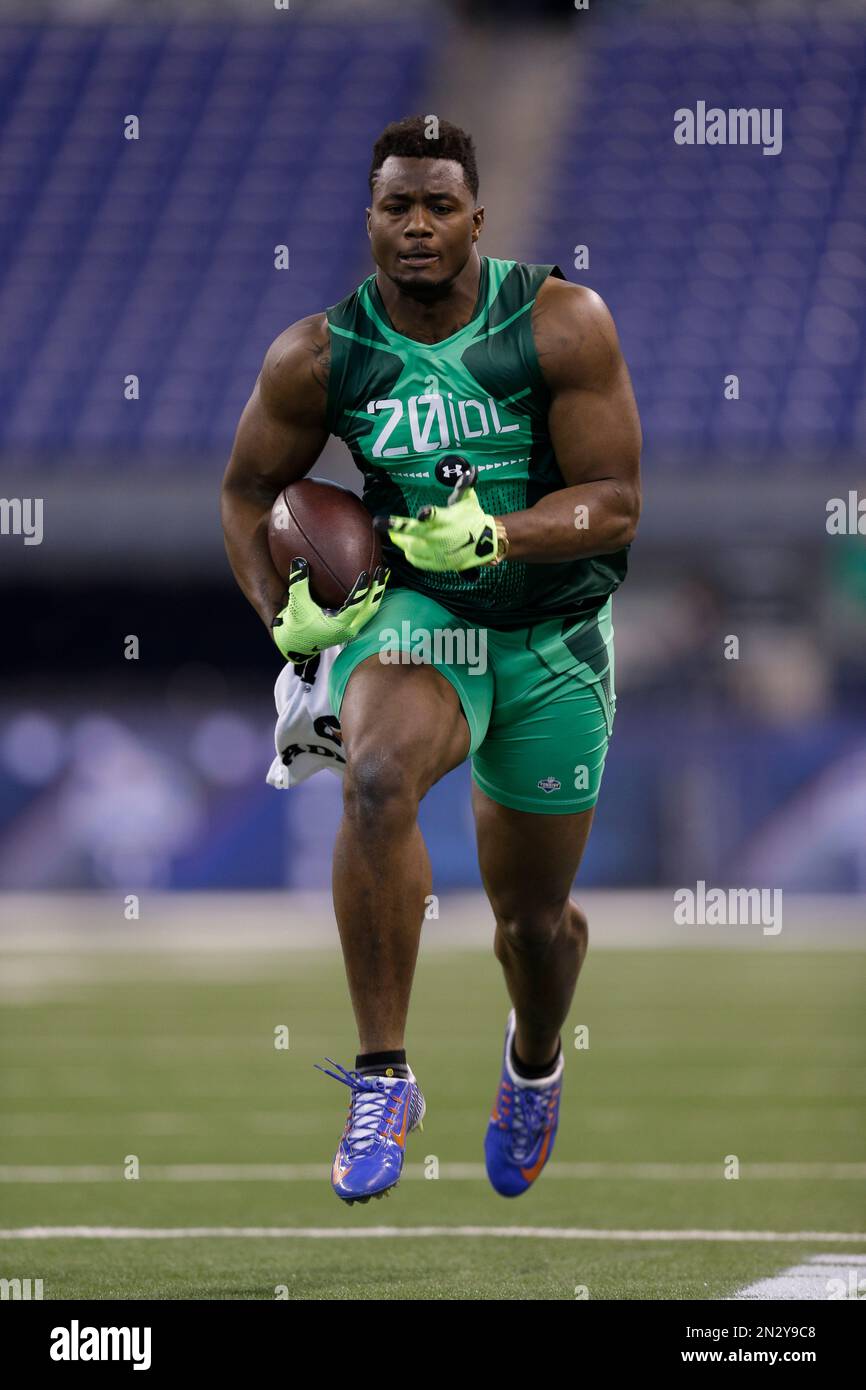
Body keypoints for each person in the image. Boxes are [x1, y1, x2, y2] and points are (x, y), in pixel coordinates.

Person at [221, 115, 641, 1205]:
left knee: (531, 926)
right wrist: (283, 615)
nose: (416, 226)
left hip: (551, 634)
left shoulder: (559, 322)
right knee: (371, 779)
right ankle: (382, 1075)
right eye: (396, 206)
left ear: (476, 219)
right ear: (368, 219)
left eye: (437, 206)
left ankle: (533, 1063)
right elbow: (242, 492)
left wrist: (502, 533)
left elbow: (616, 503)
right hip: (424, 616)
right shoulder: (319, 354)